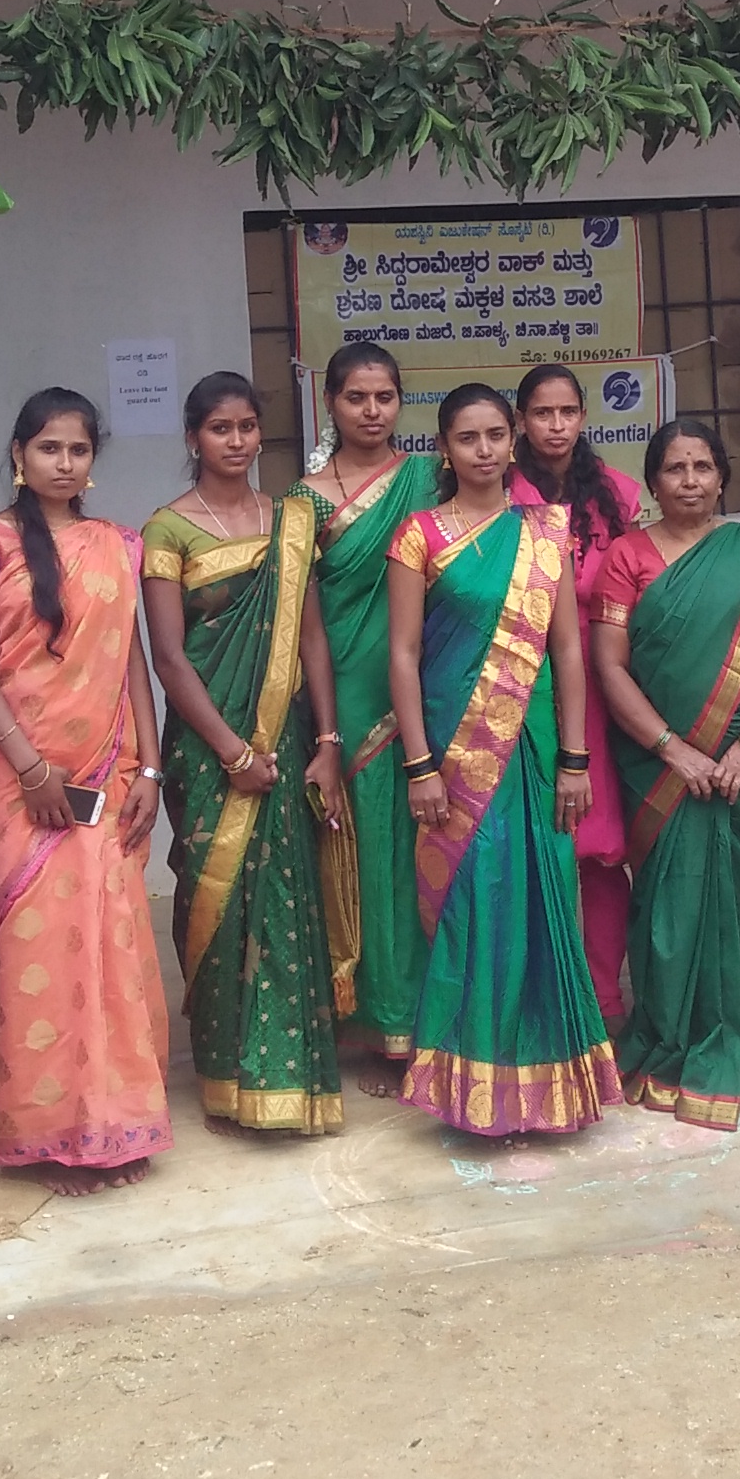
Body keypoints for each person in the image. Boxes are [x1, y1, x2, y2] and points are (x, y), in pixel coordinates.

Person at [0, 389, 173, 1193]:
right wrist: (29, 767)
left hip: (106, 774)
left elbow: (132, 668)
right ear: (20, 454)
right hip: (25, 785)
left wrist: (149, 768)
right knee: (36, 951)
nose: (64, 463)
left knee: (109, 944)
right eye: (49, 448)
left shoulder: (118, 544)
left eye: (78, 450)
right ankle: (49, 1135)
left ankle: (115, 1122)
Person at [387, 382, 620, 1135]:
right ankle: (471, 1090)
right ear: (444, 449)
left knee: (544, 907)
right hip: (455, 757)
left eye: (495, 435)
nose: (485, 450)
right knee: (475, 906)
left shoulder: (546, 532)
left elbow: (569, 654)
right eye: (468, 438)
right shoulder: (420, 535)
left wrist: (577, 761)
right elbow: (403, 654)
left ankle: (553, 1087)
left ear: (510, 441)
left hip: (534, 753)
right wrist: (420, 766)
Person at [142, 373, 349, 1137]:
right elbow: (169, 657)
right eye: (220, 428)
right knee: (217, 906)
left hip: (288, 739)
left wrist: (326, 743)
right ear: (194, 437)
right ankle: (229, 1077)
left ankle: (293, 1079)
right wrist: (232, 752)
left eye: (247, 426)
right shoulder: (167, 530)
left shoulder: (294, 519)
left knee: (290, 905)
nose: (236, 441)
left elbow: (312, 639)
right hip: (209, 749)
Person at [591, 418, 740, 1128]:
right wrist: (672, 749)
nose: (690, 481)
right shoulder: (627, 556)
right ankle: (678, 1044)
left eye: (702, 467)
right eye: (675, 469)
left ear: (723, 476)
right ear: (652, 482)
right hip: (662, 767)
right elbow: (610, 666)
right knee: (670, 907)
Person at [293, 342, 437, 1081]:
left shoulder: (427, 479)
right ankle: (377, 1022)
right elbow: (306, 618)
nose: (373, 411)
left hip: (427, 685)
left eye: (385, 397)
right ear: (331, 403)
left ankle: (425, 1017)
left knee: (418, 856)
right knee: (364, 855)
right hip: (347, 692)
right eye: (357, 398)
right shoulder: (306, 499)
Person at [509, 364, 644, 1030]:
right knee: (531, 847)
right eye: (542, 413)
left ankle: (604, 1001)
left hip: (600, 686)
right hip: (515, 690)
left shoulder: (617, 496)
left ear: (584, 417)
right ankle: (544, 1002)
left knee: (599, 849)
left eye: (567, 412)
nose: (556, 426)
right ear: (520, 422)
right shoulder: (497, 493)